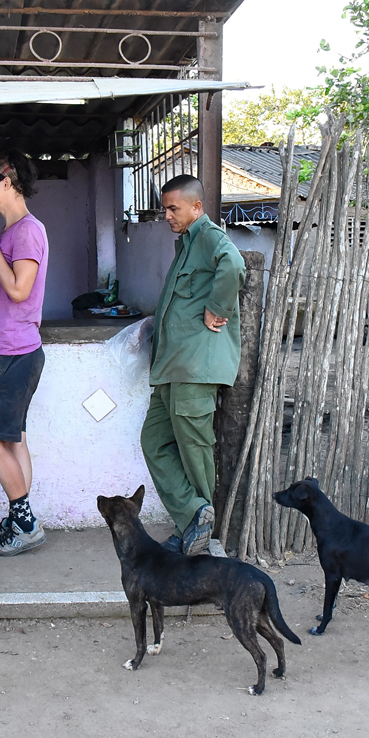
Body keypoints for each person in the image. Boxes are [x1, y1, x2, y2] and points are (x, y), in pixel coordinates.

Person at [141, 174, 245, 556]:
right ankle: (193, 515)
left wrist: (217, 308)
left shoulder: (208, 236)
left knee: (194, 448)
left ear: (196, 207)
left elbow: (233, 265)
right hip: (173, 367)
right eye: (165, 208)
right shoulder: (187, 243)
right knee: (154, 441)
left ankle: (202, 535)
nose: (167, 215)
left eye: (174, 208)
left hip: (195, 367)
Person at [0, 152, 49, 557]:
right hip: (4, 349)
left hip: (14, 351)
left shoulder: (27, 231)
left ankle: (26, 522)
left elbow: (20, 290)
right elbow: (7, 283)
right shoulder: (12, 232)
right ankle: (19, 521)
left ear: (8, 183)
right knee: (12, 440)